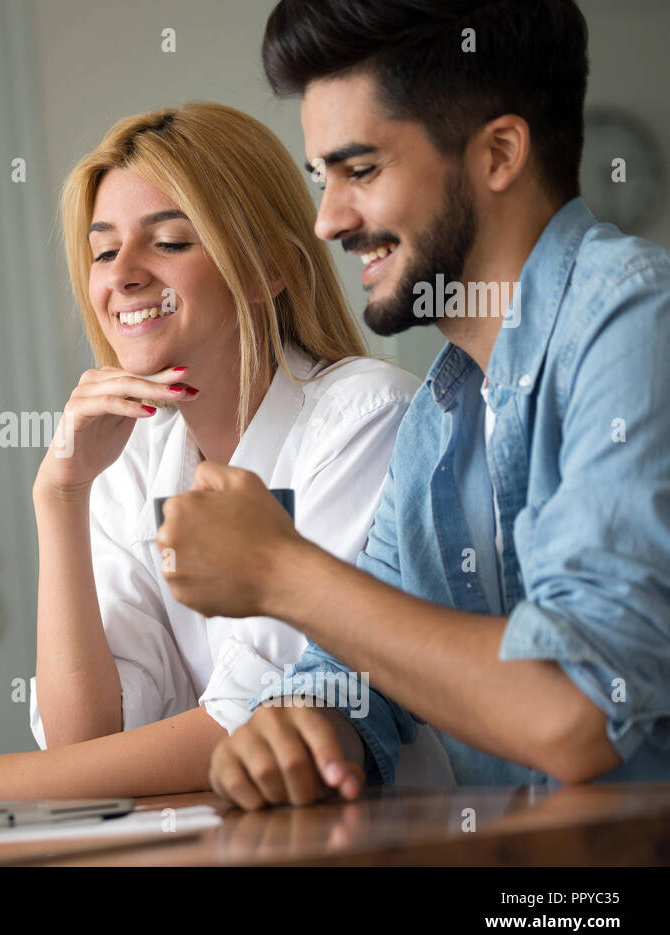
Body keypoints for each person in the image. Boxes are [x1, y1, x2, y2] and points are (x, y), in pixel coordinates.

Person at [0, 102, 450, 809]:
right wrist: (59, 496)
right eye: (103, 250)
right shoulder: (135, 450)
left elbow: (260, 724)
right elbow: (86, 742)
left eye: (170, 242)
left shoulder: (364, 417)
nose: (123, 275)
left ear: (268, 268)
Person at [161, 0, 670, 810]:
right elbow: (358, 680)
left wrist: (279, 570)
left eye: (360, 171)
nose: (328, 221)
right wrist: (287, 733)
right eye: (320, 178)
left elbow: (578, 709)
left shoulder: (637, 321)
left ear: (500, 152)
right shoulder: (444, 407)